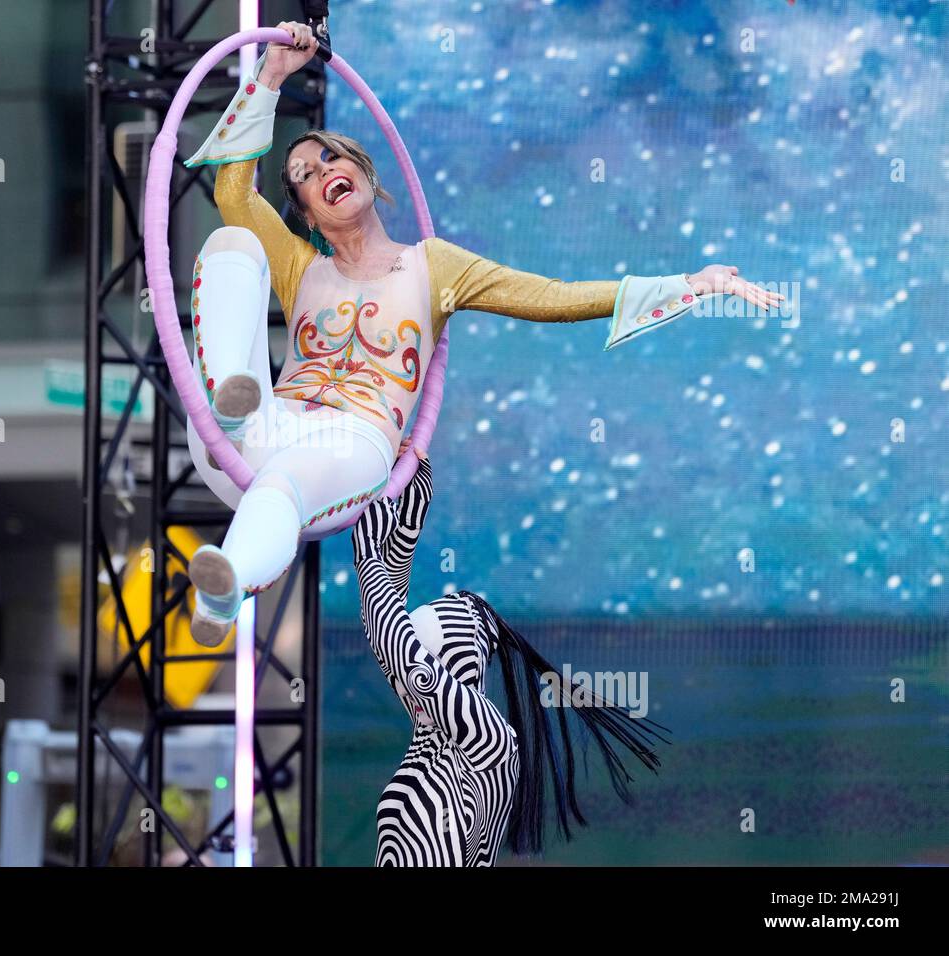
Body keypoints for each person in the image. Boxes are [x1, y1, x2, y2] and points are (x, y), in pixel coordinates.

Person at [179, 20, 784, 646]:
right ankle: (229, 403)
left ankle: (225, 590)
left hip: (346, 447)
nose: (320, 167)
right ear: (305, 214)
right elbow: (232, 192)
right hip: (256, 429)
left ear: (364, 171)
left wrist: (693, 281)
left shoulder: (433, 265)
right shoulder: (299, 267)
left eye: (331, 155)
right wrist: (271, 74)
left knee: (285, 482)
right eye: (303, 172)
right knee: (230, 240)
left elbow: (553, 297)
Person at [351, 445, 672, 865]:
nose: (406, 663)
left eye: (420, 644)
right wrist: (409, 513)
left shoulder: (489, 739)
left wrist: (369, 554)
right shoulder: (444, 736)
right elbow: (389, 639)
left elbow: (397, 647)